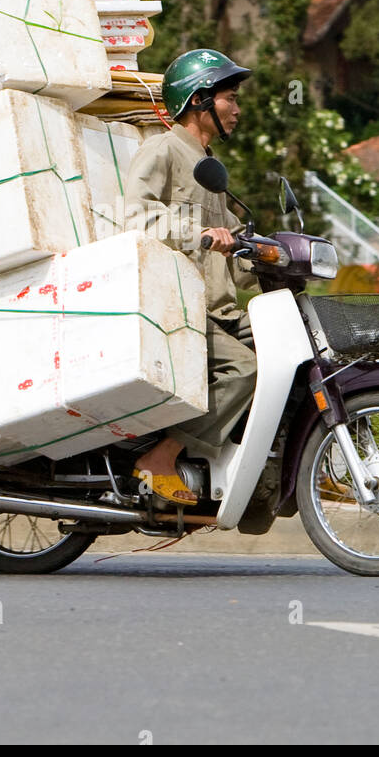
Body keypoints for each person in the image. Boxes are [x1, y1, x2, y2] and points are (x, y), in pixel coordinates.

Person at [122, 49, 258, 505]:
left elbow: (231, 247)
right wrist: (197, 233)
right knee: (244, 369)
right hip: (180, 305)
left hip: (220, 308)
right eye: (230, 99)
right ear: (200, 100)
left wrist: (268, 256)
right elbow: (136, 220)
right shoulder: (161, 150)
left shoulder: (209, 164)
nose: (237, 110)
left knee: (297, 351)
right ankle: (164, 456)